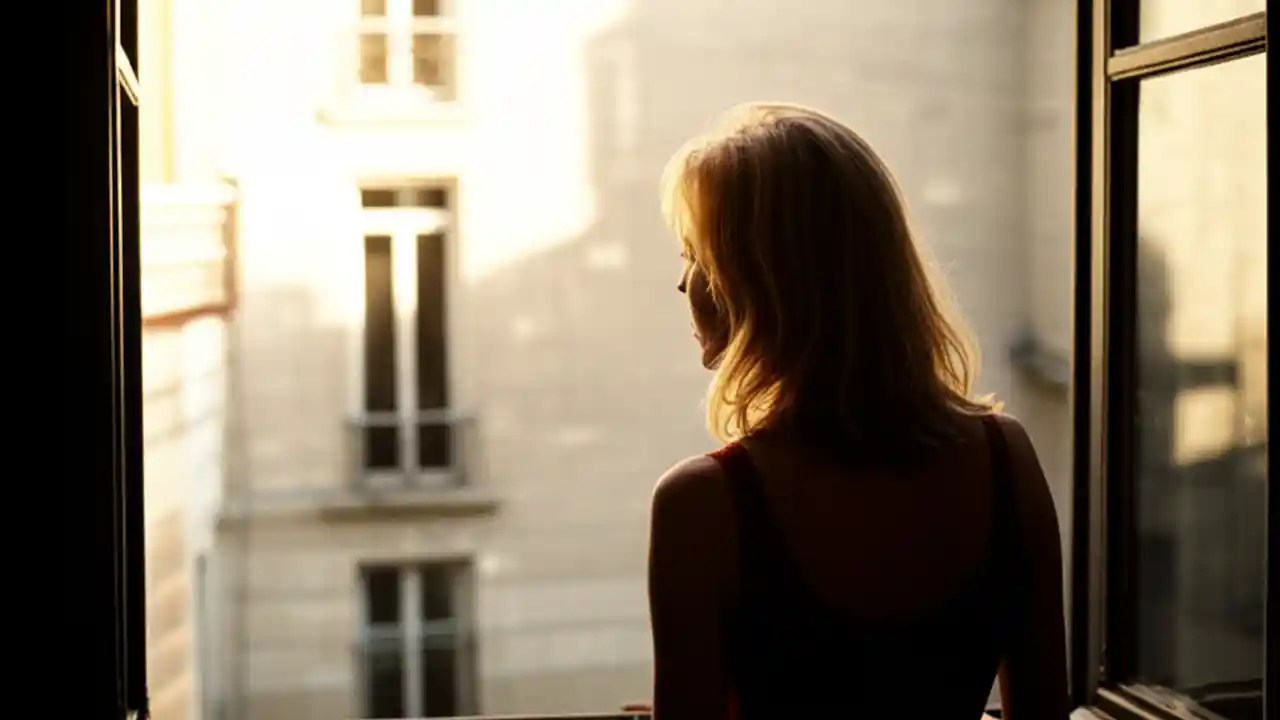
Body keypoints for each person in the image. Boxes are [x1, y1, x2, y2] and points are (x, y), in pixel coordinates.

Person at [646, 103, 1070, 719]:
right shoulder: (1007, 459)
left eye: (697, 257)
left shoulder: (702, 505)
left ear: (767, 282)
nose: (684, 284)